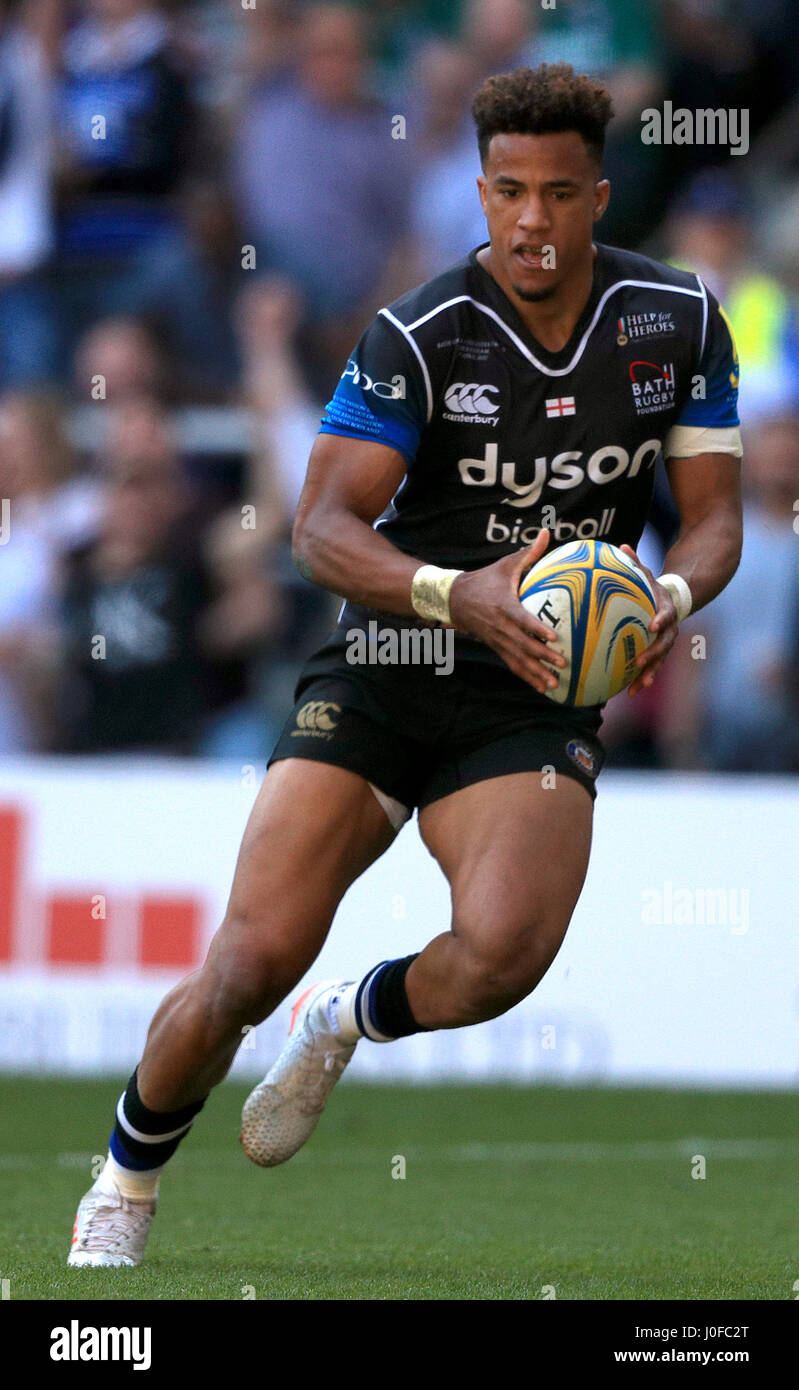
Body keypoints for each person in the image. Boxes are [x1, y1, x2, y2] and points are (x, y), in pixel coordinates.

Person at [67, 62, 742, 1267]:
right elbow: (319, 528)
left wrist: (661, 599)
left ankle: (342, 1018)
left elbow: (716, 519)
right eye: (509, 192)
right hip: (390, 662)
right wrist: (455, 593)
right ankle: (124, 1181)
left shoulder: (678, 321)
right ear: (479, 194)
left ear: (597, 196)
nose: (532, 219)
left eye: (559, 192)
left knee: (501, 960)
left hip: (536, 687)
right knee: (248, 958)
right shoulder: (420, 334)